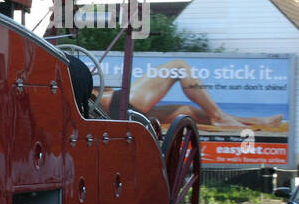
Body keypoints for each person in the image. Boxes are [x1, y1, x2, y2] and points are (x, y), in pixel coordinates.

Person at [97, 59, 285, 130]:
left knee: (186, 111)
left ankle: (253, 120)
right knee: (179, 66)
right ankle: (219, 116)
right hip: (119, 105)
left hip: (118, 112)